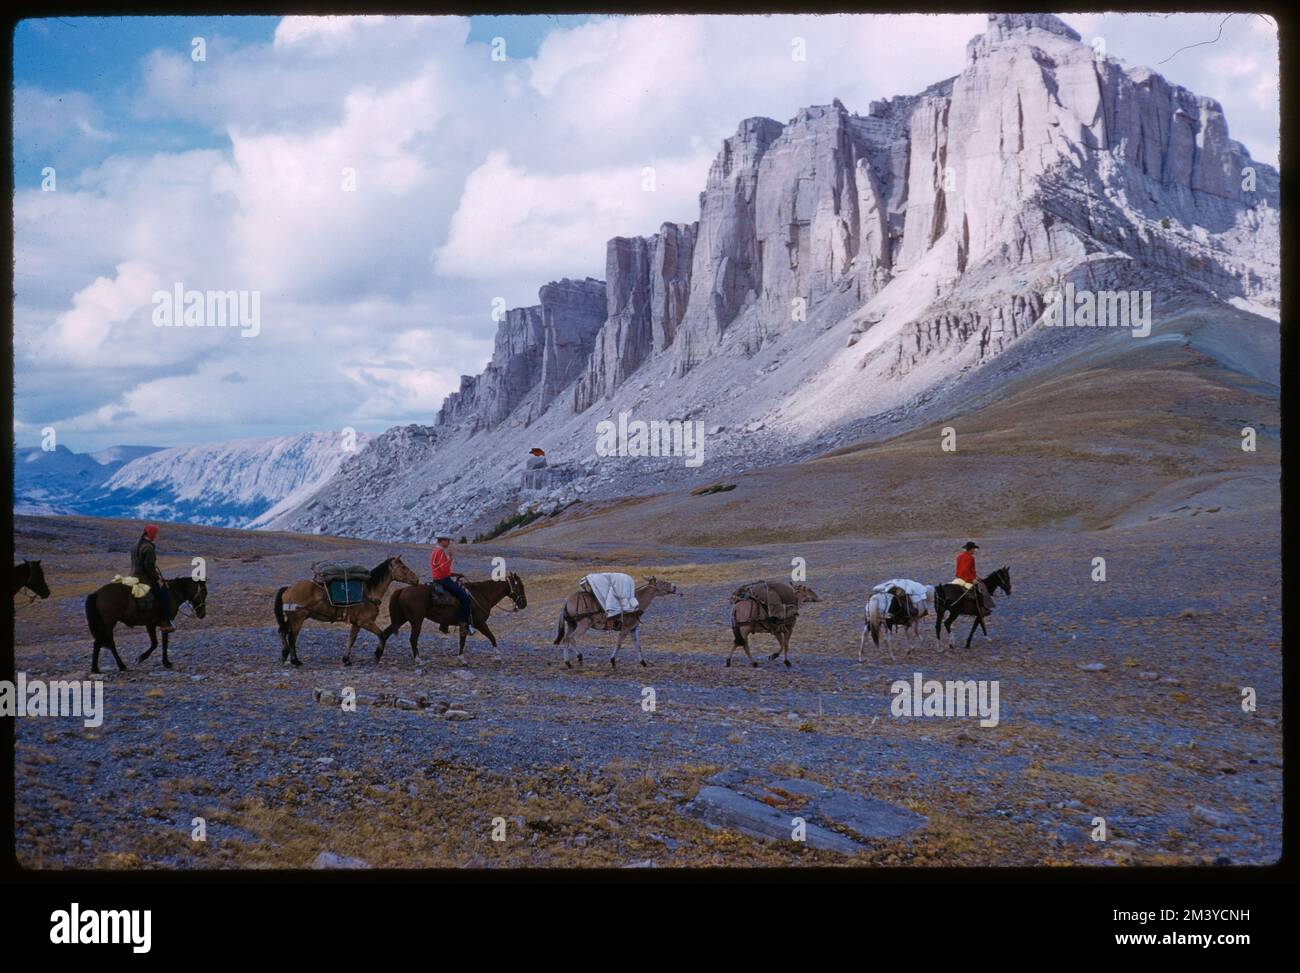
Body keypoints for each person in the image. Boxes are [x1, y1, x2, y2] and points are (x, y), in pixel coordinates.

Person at [132, 524, 174, 633]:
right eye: (155, 534)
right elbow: (149, 567)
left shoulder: (136, 545)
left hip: (133, 576)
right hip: (143, 579)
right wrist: (157, 579)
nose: (155, 536)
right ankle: (164, 623)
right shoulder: (148, 548)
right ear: (151, 534)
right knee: (164, 595)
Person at [430, 531, 474, 635]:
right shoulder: (440, 552)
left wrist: (455, 574)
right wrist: (450, 559)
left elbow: (441, 569)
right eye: (447, 540)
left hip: (438, 579)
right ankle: (463, 626)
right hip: (443, 580)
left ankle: (445, 623)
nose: (449, 542)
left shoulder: (435, 550)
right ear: (442, 540)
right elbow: (443, 570)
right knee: (466, 598)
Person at [951, 541, 990, 615]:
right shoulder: (970, 558)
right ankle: (981, 609)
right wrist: (972, 579)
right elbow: (966, 570)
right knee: (981, 590)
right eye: (974, 549)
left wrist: (975, 576)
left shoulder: (959, 556)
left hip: (958, 577)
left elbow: (963, 569)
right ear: (971, 549)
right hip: (966, 579)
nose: (975, 550)